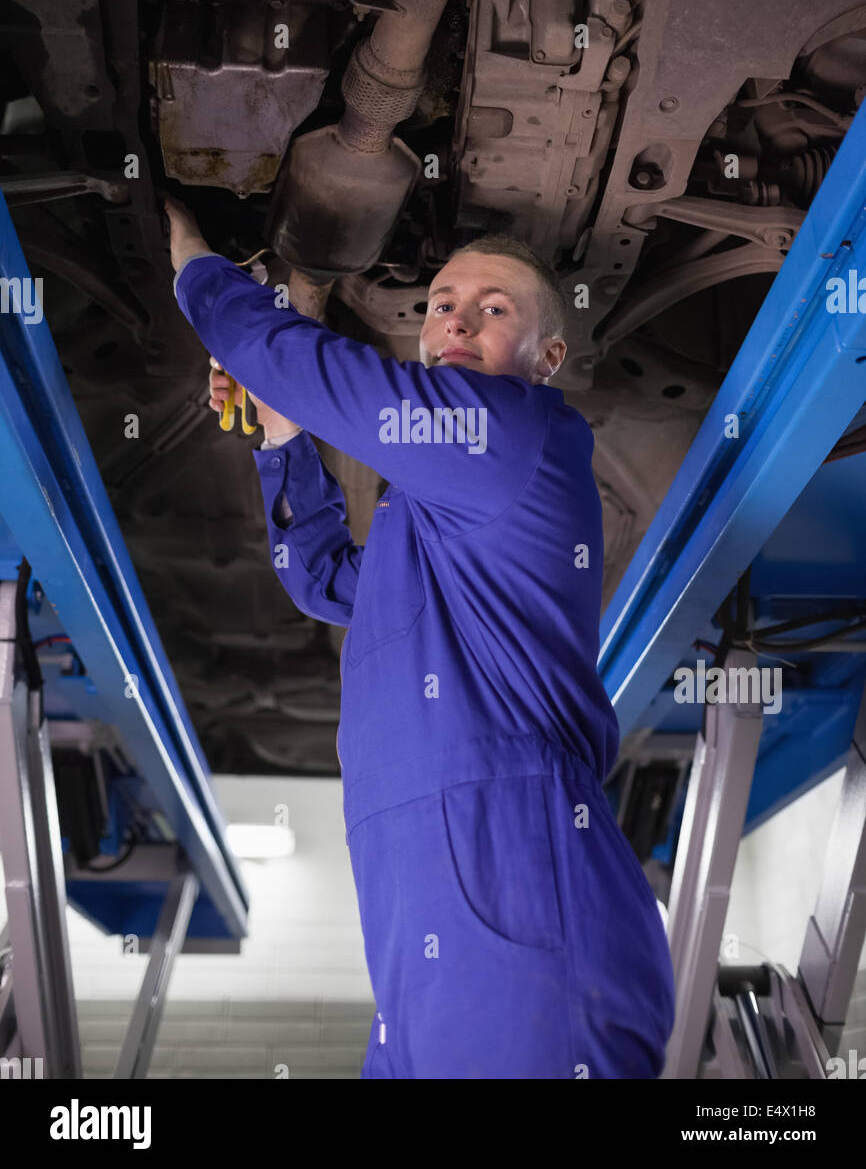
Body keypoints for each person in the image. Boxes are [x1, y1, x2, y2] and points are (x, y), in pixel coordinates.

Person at [165, 197, 675, 1079]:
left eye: (495, 307)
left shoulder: (513, 431)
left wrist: (196, 270)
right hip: (432, 884)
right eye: (442, 303)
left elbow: (306, 366)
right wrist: (281, 430)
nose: (458, 321)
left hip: (507, 861)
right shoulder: (447, 514)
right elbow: (327, 582)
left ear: (548, 358)